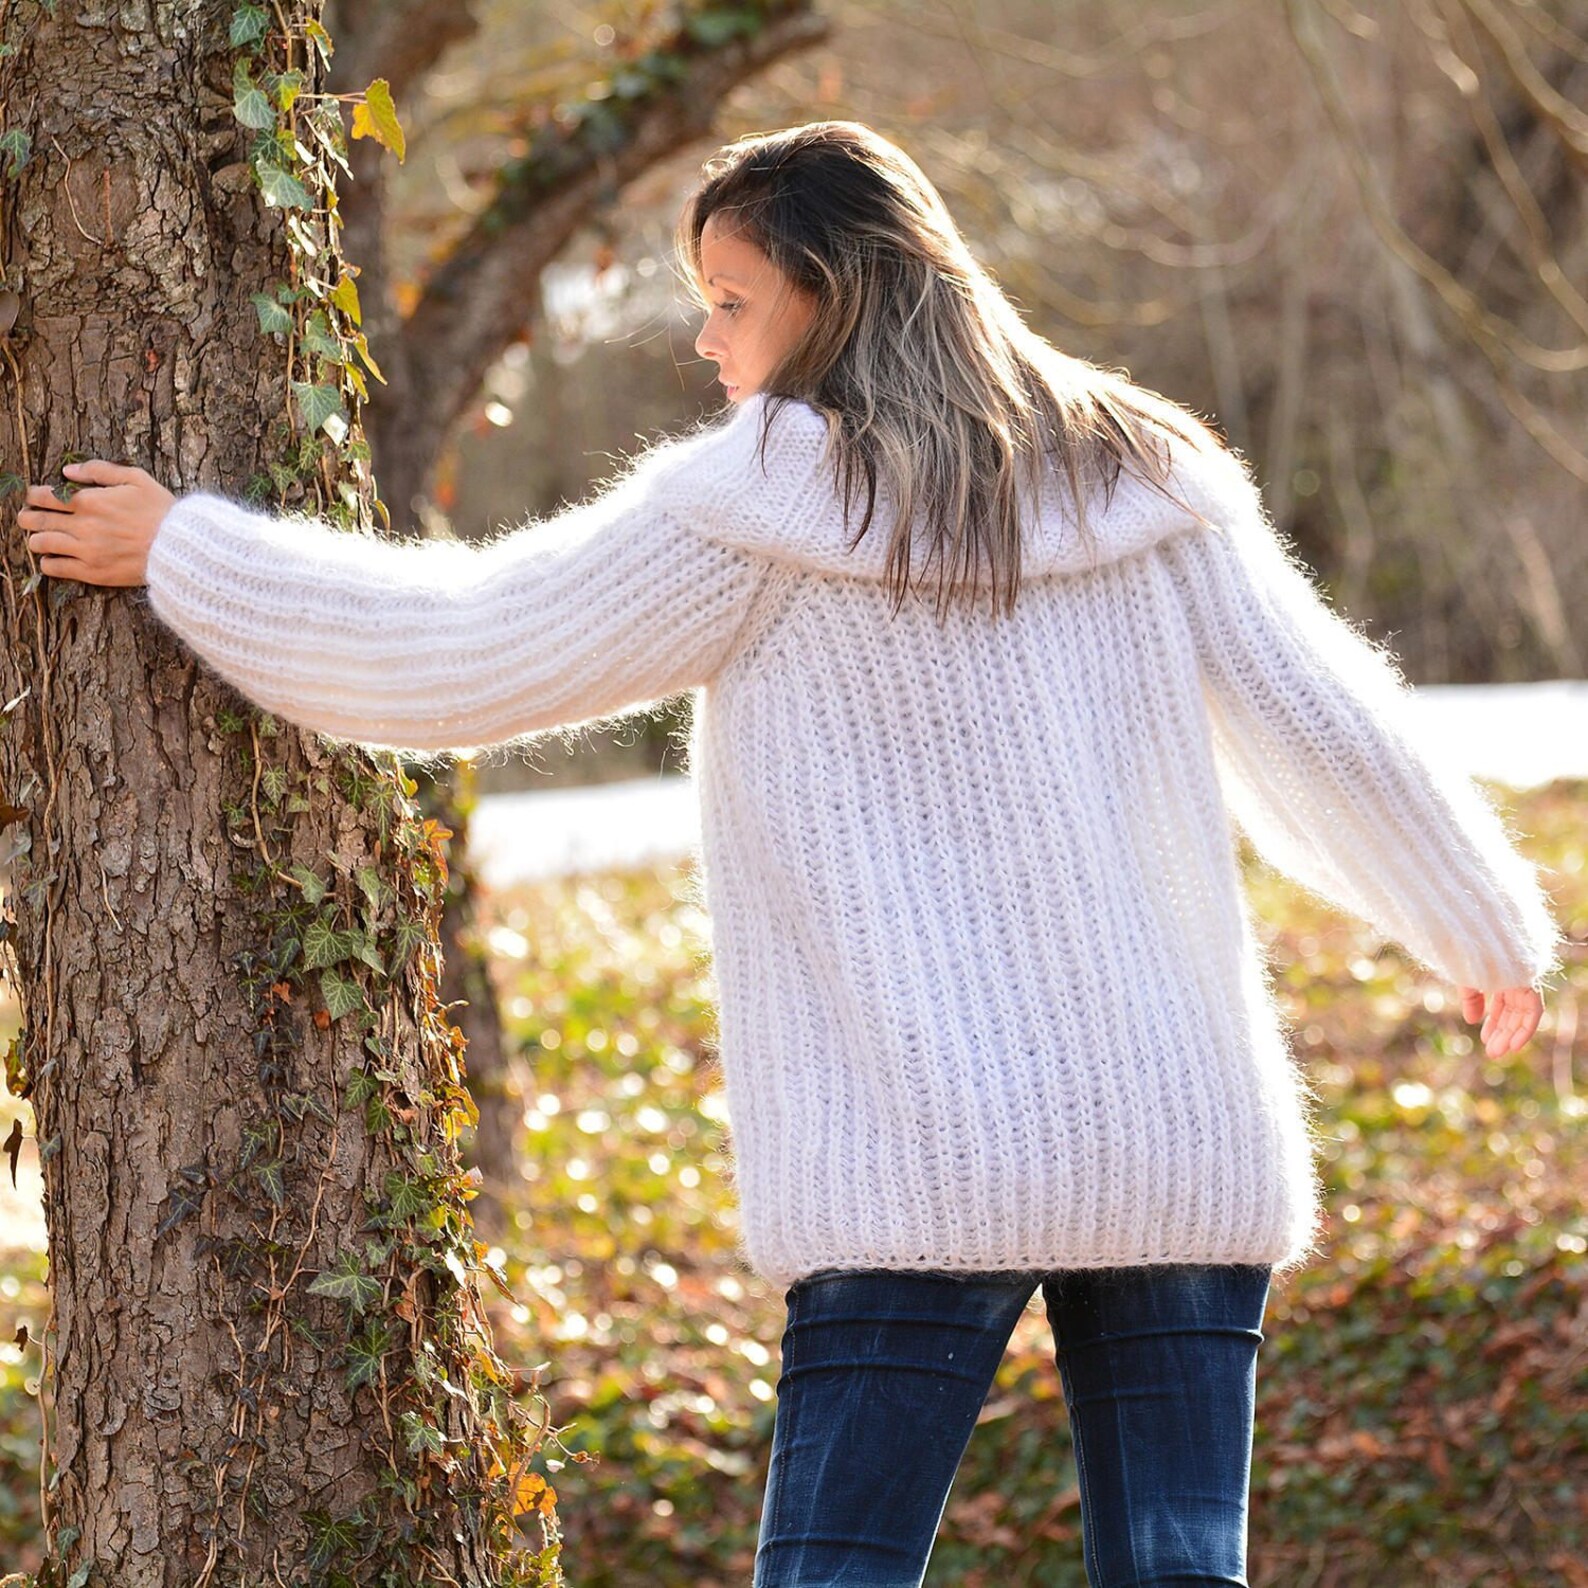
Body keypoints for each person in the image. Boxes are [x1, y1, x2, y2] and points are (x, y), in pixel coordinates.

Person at [17, 120, 1562, 1588]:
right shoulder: (1145, 476)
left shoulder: (759, 507)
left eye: (731, 300)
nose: (710, 342)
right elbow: (1326, 727)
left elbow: (468, 650)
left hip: (917, 1155)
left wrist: (186, 552)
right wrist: (1484, 927)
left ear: (835, 295)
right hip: (1171, 1126)